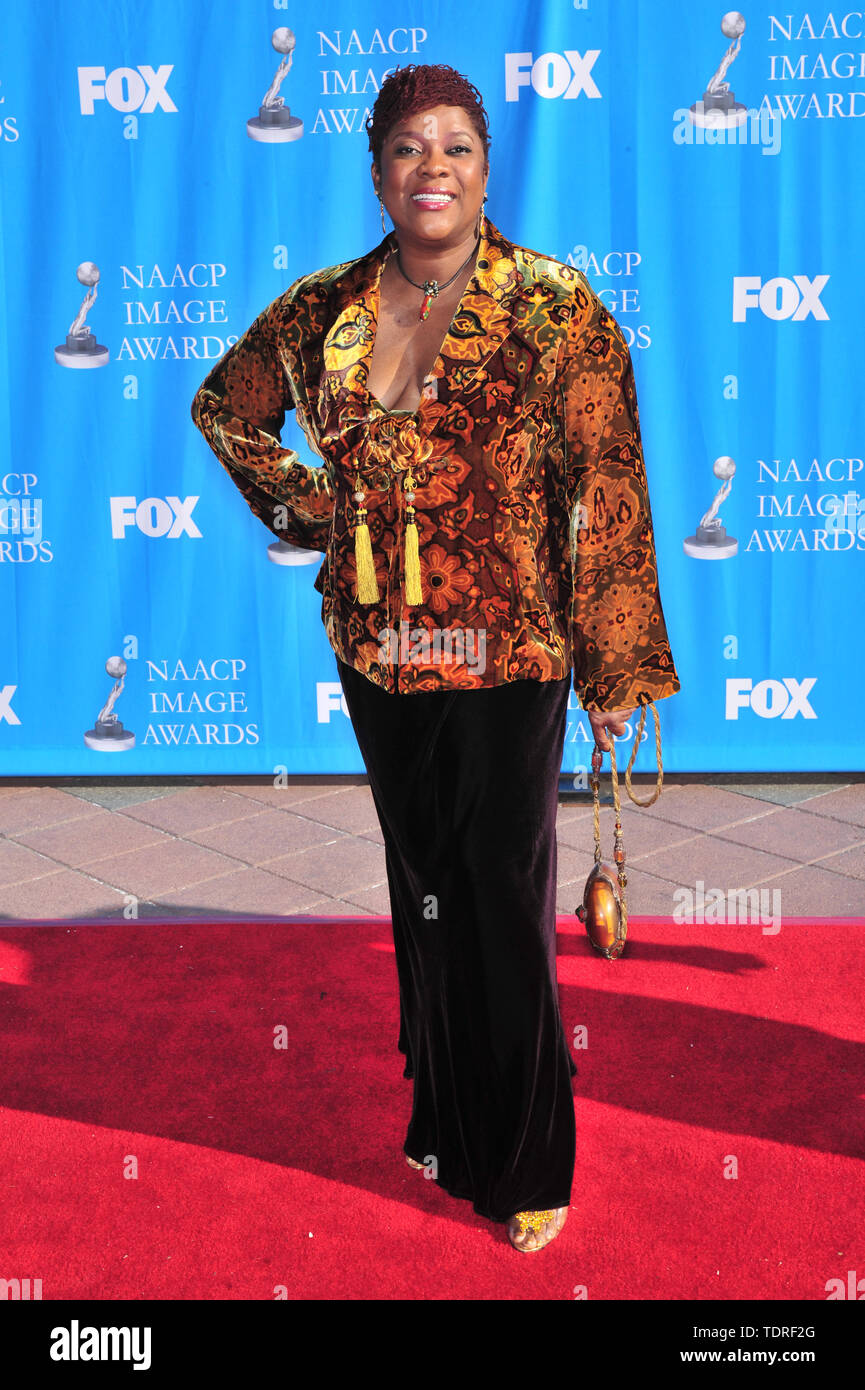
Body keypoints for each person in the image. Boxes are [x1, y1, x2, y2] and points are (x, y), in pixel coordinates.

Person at [191, 63, 680, 1253]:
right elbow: (226, 407)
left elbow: (606, 486)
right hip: (382, 649)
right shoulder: (323, 309)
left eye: (456, 147)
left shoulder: (555, 309)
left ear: (486, 167)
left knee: (500, 896)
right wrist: (321, 508)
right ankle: (444, 1116)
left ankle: (523, 1159)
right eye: (410, 148)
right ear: (374, 170)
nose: (434, 170)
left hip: (511, 646)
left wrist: (613, 672)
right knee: (424, 889)